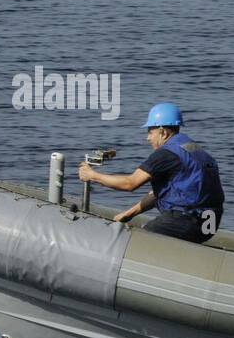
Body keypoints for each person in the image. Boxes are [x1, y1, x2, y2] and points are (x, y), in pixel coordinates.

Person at [78, 102, 224, 243]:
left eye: (150, 132)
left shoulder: (166, 154)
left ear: (163, 132)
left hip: (188, 220)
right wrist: (128, 214)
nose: (147, 138)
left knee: (140, 240)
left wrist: (93, 175)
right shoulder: (195, 150)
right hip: (210, 223)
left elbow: (130, 184)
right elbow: (164, 193)